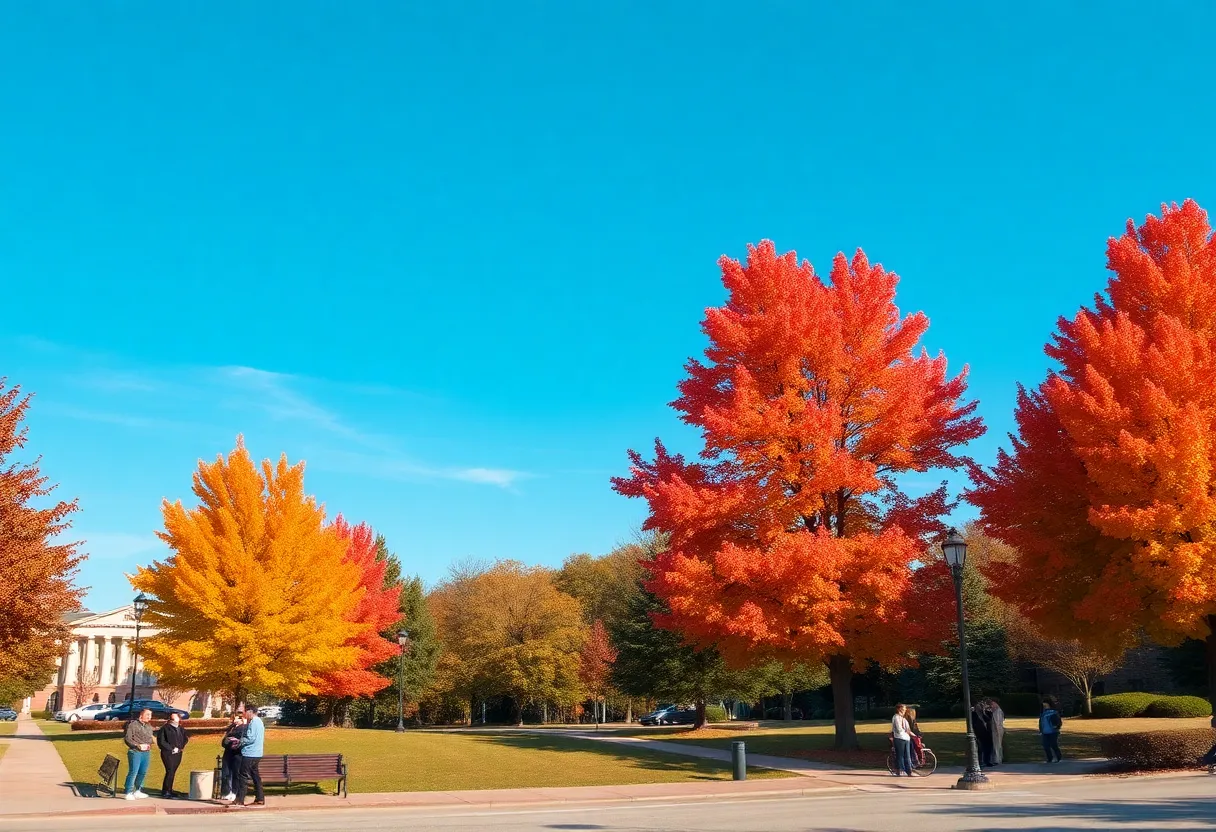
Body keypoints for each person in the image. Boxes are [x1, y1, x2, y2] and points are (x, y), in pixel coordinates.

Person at [233, 706, 265, 807]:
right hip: (257, 753)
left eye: (244, 712)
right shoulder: (259, 722)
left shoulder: (254, 722)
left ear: (250, 712)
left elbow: (251, 738)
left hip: (250, 753)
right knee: (255, 776)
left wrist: (239, 741)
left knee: (243, 776)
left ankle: (240, 799)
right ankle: (260, 798)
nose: (243, 714)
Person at [122, 708, 155, 800]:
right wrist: (137, 745)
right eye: (147, 715)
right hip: (135, 752)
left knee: (142, 772)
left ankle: (138, 790)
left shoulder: (148, 726)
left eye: (150, 715)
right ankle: (128, 791)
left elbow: (150, 738)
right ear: (141, 715)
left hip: (146, 752)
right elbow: (128, 738)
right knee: (133, 772)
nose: (149, 717)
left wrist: (149, 744)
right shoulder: (133, 725)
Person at [157, 712, 189, 798]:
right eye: (172, 718)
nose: (174, 720)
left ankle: (169, 789)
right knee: (170, 770)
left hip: (178, 753)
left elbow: (185, 739)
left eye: (175, 718)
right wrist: (171, 748)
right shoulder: (165, 729)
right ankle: (166, 791)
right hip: (168, 753)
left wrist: (181, 747)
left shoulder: (181, 728)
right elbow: (161, 742)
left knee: (173, 771)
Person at [219, 713, 247, 801]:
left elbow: (239, 740)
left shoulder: (244, 728)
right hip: (228, 753)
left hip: (237, 753)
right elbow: (224, 741)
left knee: (236, 773)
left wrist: (230, 741)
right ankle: (226, 792)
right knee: (226, 773)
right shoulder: (231, 728)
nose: (235, 720)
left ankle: (235, 792)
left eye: (238, 718)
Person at [891, 703, 917, 776]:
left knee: (907, 755)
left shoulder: (904, 719)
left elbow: (908, 730)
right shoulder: (896, 717)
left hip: (906, 739)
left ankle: (909, 771)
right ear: (899, 709)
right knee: (900, 755)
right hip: (899, 738)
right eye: (904, 708)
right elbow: (899, 729)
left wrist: (915, 736)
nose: (905, 709)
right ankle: (899, 770)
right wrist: (906, 733)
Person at [1039, 698, 1063, 763]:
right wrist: (1041, 730)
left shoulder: (1054, 712)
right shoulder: (1043, 713)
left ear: (1048, 703)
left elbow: (1059, 721)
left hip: (1053, 732)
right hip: (1045, 732)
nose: (1044, 704)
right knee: (1046, 746)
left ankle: (1059, 758)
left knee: (1053, 745)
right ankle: (1049, 759)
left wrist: (1057, 726)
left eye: (1045, 703)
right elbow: (1041, 722)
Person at [972, 700, 995, 767]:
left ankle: (987, 761)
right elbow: (973, 724)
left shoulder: (985, 714)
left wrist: (984, 712)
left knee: (989, 746)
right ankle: (980, 762)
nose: (980, 707)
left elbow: (989, 720)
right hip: (979, 733)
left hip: (987, 733)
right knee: (981, 748)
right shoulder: (973, 714)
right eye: (979, 706)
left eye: (981, 706)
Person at [989, 698, 1006, 766]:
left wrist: (997, 731)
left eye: (992, 704)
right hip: (996, 730)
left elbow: (997, 723)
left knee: (997, 745)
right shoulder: (996, 711)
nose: (991, 705)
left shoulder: (998, 711)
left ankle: (997, 759)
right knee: (997, 745)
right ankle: (998, 758)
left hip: (997, 731)